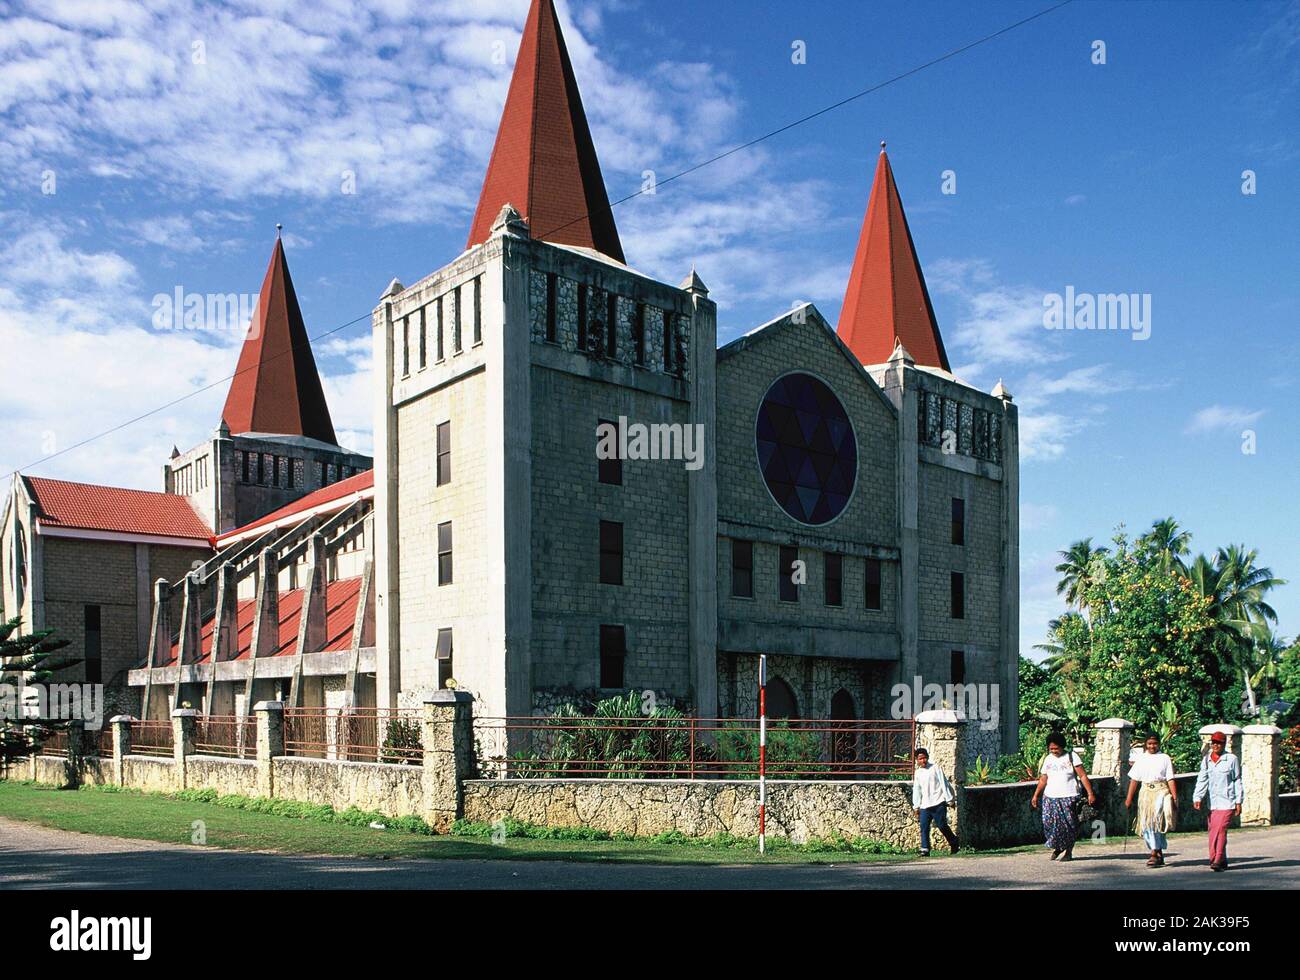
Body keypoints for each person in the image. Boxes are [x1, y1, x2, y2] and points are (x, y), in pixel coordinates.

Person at [1030, 731, 1096, 861]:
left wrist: (1090, 793)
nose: (1054, 751)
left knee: (1069, 825)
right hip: (1050, 797)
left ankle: (1068, 852)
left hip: (1069, 796)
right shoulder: (1048, 759)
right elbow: (1043, 779)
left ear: (1062, 746)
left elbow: (1082, 776)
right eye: (1051, 748)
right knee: (1049, 824)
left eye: (1056, 748)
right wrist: (1035, 795)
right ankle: (1058, 846)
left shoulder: (1072, 756)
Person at [1124, 734, 1178, 867]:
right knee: (1147, 823)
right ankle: (1157, 851)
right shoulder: (1141, 759)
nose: (1152, 746)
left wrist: (1175, 797)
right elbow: (1134, 780)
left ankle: (1154, 852)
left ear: (1158, 744)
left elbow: (1170, 778)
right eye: (1149, 743)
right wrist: (1129, 798)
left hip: (1161, 791)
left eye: (1154, 743)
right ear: (1145, 745)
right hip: (1146, 793)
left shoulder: (1164, 758)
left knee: (1157, 821)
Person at [1193, 731, 1243, 872]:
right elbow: (1202, 779)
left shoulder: (1231, 759)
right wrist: (1198, 797)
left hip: (1228, 801)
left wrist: (1238, 801)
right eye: (1214, 742)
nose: (1216, 745)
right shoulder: (1207, 760)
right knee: (1213, 830)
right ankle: (1220, 858)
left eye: (1219, 743)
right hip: (1213, 802)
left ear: (1224, 744)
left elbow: (1237, 780)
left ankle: (1217, 858)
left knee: (1221, 829)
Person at [912, 747, 959, 856]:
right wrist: (916, 806)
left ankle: (954, 842)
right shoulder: (918, 773)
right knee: (924, 826)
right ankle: (925, 849)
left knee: (942, 825)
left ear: (927, 758)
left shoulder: (935, 768)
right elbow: (917, 790)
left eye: (924, 758)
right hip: (925, 805)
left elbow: (944, 784)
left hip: (938, 802)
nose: (923, 761)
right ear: (916, 760)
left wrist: (950, 800)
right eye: (920, 759)